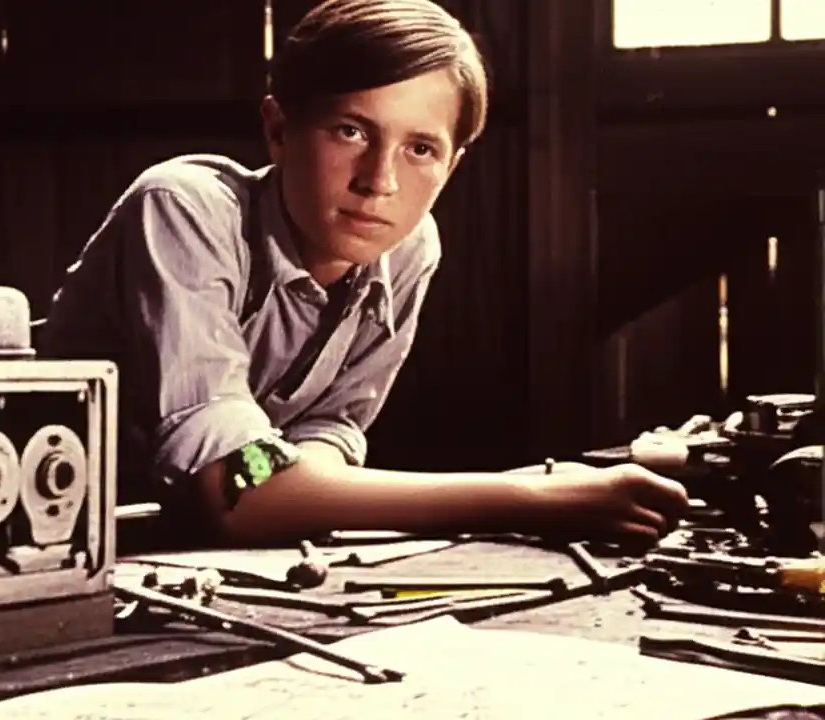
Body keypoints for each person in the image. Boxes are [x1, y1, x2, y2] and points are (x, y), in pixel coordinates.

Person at [37, 0, 690, 548]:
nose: (380, 182)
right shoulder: (186, 207)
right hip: (27, 536)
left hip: (177, 552)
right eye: (350, 131)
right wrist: (530, 496)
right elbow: (230, 492)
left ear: (453, 165)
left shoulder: (406, 248)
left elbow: (316, 436)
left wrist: (288, 483)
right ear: (278, 129)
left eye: (420, 148)